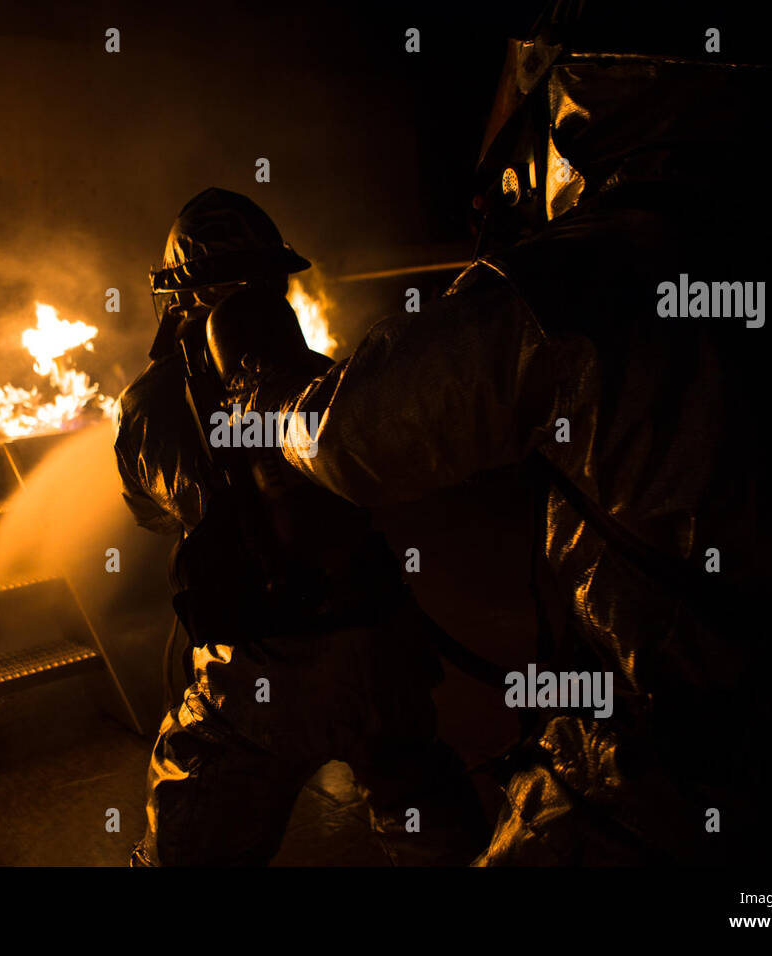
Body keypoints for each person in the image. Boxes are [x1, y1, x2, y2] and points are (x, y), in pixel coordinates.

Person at [236, 1, 772, 865]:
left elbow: (355, 435)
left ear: (579, 101)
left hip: (669, 767)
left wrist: (266, 397)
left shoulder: (584, 273)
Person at [114, 187, 487, 866]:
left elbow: (149, 510)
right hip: (379, 651)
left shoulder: (151, 404)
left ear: (177, 297)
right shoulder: (325, 380)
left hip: (254, 677)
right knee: (431, 824)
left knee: (188, 841)